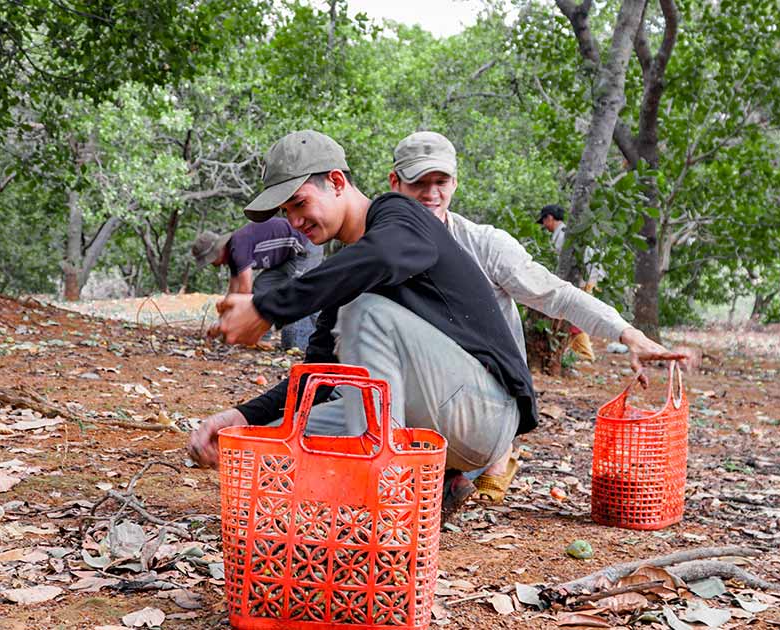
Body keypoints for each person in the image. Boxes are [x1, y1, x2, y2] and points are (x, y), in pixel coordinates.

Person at [190, 129, 539, 521]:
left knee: (364, 311)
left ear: (337, 182)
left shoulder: (399, 215)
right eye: (286, 211)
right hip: (435, 417)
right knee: (278, 443)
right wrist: (242, 417)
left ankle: (388, 508)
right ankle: (427, 486)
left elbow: (384, 256)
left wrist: (269, 307)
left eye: (299, 203)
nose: (294, 220)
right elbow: (317, 375)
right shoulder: (349, 266)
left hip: (485, 414)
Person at [387, 131, 679, 501]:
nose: (431, 194)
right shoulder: (378, 247)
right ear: (395, 182)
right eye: (418, 182)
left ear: (455, 183)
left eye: (440, 182)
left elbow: (556, 294)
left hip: (482, 399)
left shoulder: (483, 243)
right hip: (419, 397)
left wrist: (626, 333)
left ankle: (491, 458)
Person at [190, 218, 322, 350]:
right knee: (261, 287)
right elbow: (234, 293)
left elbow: (245, 291)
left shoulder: (238, 246)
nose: (213, 264)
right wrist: (221, 322)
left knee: (297, 293)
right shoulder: (232, 256)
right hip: (286, 258)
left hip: (306, 246)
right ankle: (261, 338)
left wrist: (235, 323)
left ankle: (300, 347)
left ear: (218, 251)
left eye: (211, 260)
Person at [537, 204, 599, 361]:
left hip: (584, 280)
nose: (544, 226)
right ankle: (577, 352)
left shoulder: (564, 235)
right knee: (573, 316)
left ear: (549, 218)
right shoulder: (561, 234)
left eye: (544, 221)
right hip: (585, 279)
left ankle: (585, 354)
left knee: (577, 316)